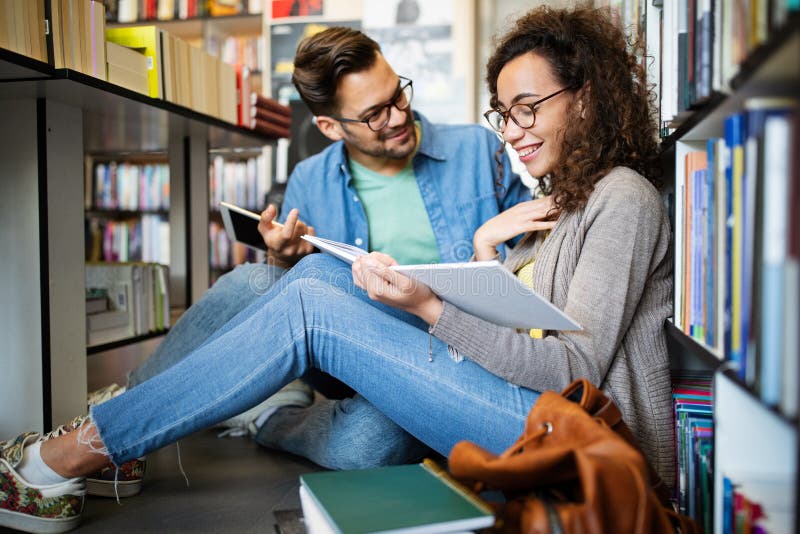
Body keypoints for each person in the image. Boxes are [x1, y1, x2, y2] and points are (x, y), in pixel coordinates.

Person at [0, 6, 675, 533]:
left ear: (585, 97)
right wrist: (482, 250)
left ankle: (74, 454)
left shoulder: (622, 198)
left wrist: (425, 305)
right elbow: (518, 320)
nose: (512, 130)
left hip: (565, 435)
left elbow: (569, 370)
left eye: (529, 108)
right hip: (509, 400)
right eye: (505, 112)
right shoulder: (559, 197)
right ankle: (108, 437)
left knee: (336, 352)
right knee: (297, 284)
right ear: (330, 127)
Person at [97, 25, 530, 477]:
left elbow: (535, 258)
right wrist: (283, 259)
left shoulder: (478, 150)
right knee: (254, 280)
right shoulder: (310, 179)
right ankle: (124, 408)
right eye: (375, 115)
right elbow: (296, 303)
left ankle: (271, 417)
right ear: (328, 126)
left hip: (457, 350)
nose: (399, 117)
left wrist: (491, 254)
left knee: (369, 446)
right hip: (356, 353)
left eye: (398, 94)